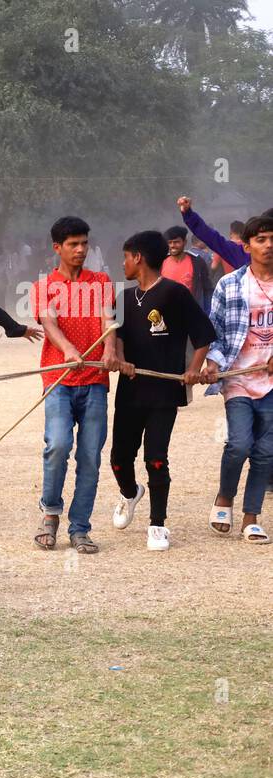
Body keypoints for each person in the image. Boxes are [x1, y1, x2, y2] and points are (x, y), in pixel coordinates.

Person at [108, 230, 217, 551]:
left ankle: (157, 524)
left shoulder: (175, 294)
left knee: (156, 458)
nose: (123, 263)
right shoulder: (124, 297)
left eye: (126, 257)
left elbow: (202, 335)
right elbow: (119, 339)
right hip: (130, 390)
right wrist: (121, 361)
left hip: (164, 391)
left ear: (138, 257)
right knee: (118, 459)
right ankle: (130, 493)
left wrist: (194, 369)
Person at [31, 216, 117, 554]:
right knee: (58, 445)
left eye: (84, 243)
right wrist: (67, 348)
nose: (81, 250)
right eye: (73, 244)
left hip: (95, 378)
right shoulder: (43, 287)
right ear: (58, 248)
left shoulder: (101, 282)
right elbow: (48, 322)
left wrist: (109, 351)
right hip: (59, 378)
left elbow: (109, 322)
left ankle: (80, 527)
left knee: (91, 457)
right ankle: (50, 512)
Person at [201, 214, 273, 543]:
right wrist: (212, 363)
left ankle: (251, 517)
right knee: (241, 443)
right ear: (246, 246)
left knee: (266, 451)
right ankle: (225, 497)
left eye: (272, 239)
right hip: (239, 377)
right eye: (260, 240)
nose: (268, 245)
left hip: (271, 381)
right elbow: (212, 332)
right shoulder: (230, 285)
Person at [177, 196, 273, 271]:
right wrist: (188, 214)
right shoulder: (242, 257)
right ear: (248, 246)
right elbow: (210, 237)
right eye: (262, 239)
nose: (269, 245)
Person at [162, 224, 215, 315]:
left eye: (176, 242)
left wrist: (207, 314)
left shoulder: (197, 262)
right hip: (167, 314)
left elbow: (207, 289)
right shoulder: (161, 262)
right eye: (170, 242)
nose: (172, 246)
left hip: (191, 314)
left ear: (185, 242)